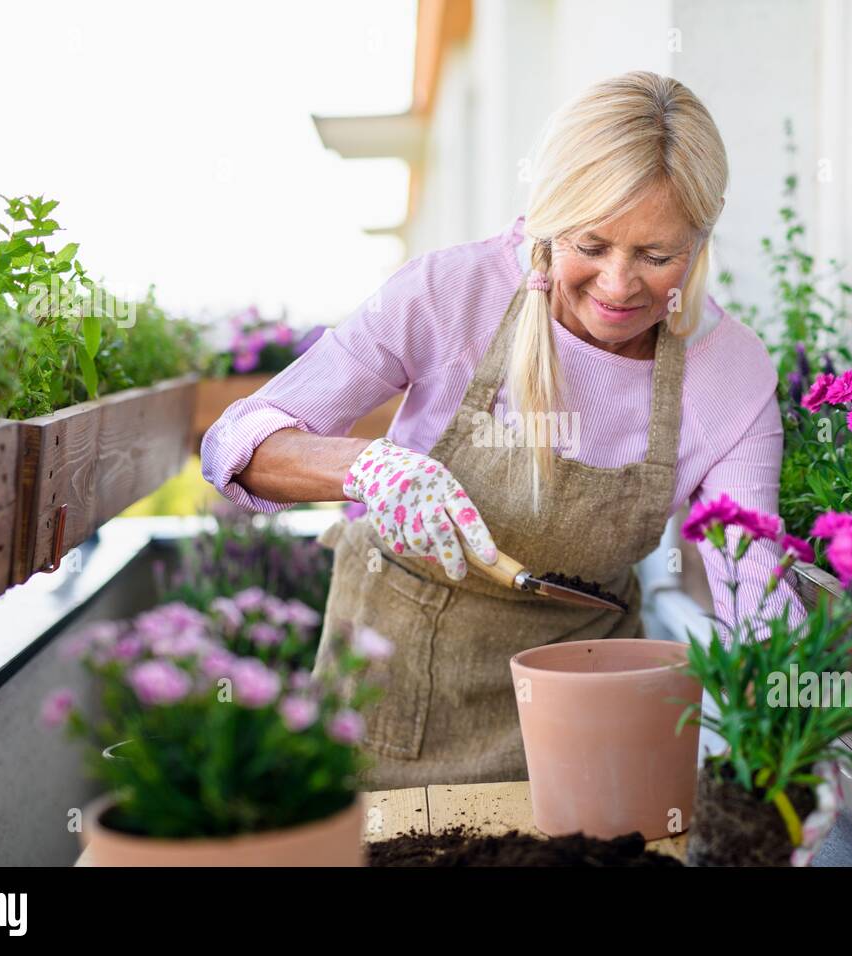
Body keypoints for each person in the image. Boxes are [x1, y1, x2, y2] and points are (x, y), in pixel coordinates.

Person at [201, 71, 806, 790]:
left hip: (583, 711)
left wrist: (795, 743)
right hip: (395, 696)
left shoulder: (726, 372)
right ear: (547, 216)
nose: (617, 286)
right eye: (591, 244)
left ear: (702, 238)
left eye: (656, 256)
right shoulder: (454, 294)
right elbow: (237, 442)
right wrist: (369, 466)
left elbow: (754, 581)